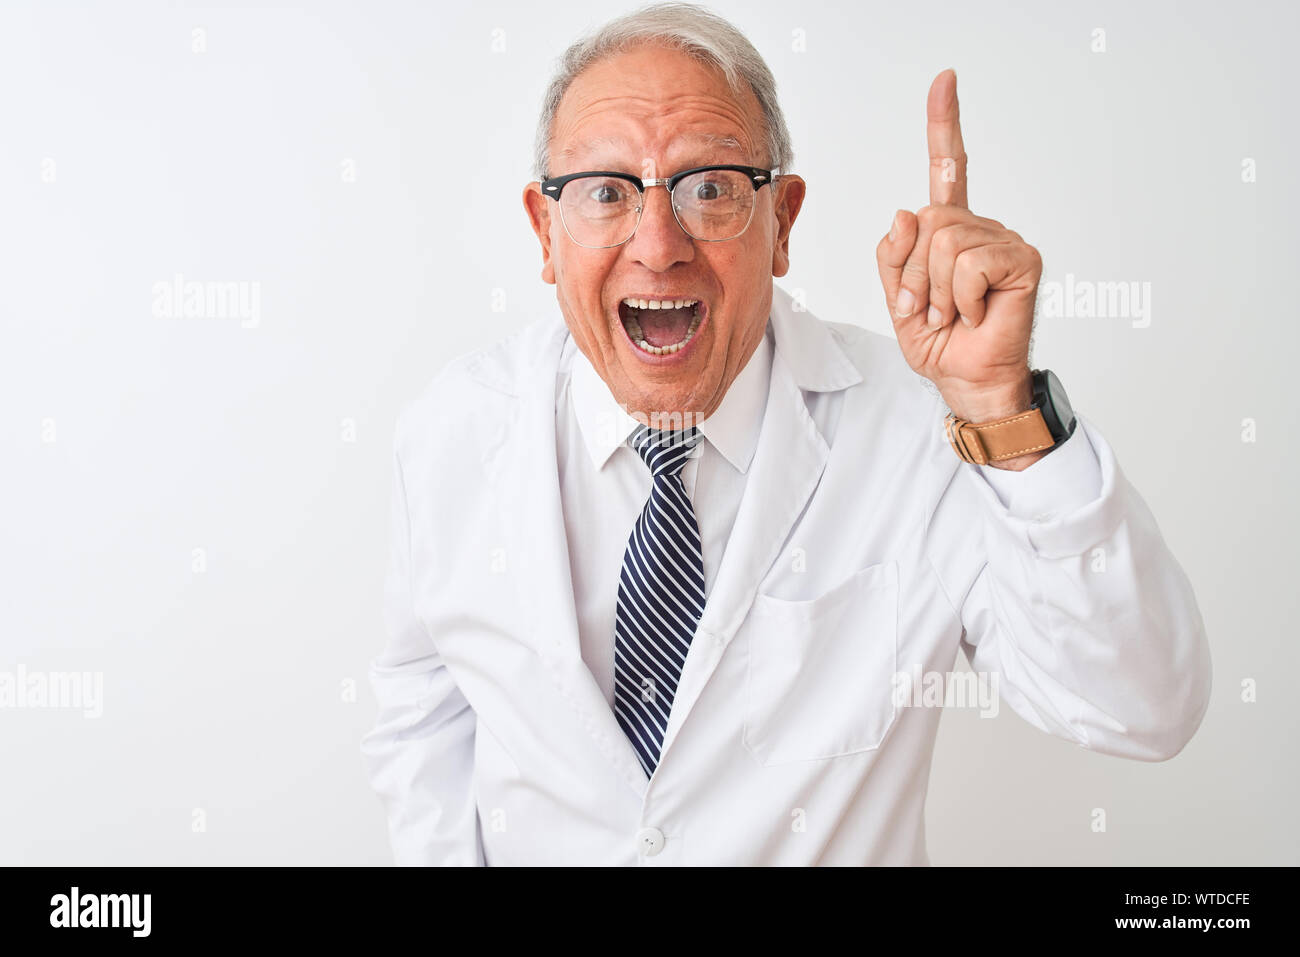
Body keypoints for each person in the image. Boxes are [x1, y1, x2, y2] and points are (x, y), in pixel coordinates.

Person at [361, 2, 1210, 866]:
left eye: (711, 187)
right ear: (546, 232)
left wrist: (1002, 404)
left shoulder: (924, 428)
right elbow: (424, 708)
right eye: (607, 192)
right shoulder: (453, 431)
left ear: (784, 224)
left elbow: (1142, 706)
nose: (659, 244)